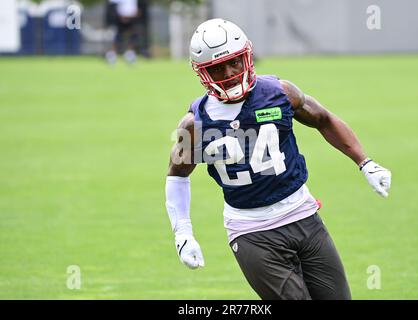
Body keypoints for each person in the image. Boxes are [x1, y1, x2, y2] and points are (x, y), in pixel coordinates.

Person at [165, 18, 392, 300]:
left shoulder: (279, 93)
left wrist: (364, 162)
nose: (229, 73)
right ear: (202, 72)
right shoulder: (195, 124)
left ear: (247, 56)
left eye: (235, 62)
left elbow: (324, 119)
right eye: (217, 67)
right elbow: (177, 175)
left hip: (304, 216)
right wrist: (182, 233)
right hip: (251, 231)